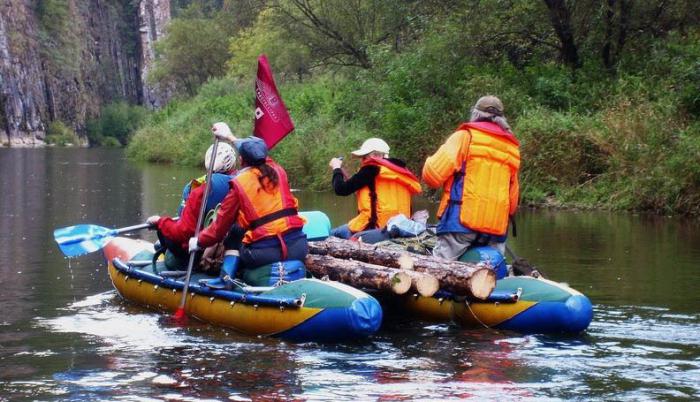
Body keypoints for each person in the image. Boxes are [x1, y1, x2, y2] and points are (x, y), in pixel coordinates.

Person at [187, 122, 307, 284]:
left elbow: (219, 229)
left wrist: (199, 241)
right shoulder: (278, 170)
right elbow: (256, 153)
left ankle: (225, 279)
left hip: (265, 254)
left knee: (235, 233)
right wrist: (229, 136)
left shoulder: (240, 184)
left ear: (241, 160)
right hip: (298, 247)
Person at [422, 95, 520, 260]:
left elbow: (432, 176)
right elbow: (513, 202)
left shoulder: (465, 136)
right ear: (502, 119)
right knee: (491, 273)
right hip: (495, 230)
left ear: (475, 114)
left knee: (440, 269)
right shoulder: (511, 147)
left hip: (459, 225)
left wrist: (429, 162)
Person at [147, 141, 238, 269]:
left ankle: (179, 261)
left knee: (164, 231)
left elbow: (183, 232)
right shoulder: (244, 182)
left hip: (198, 249)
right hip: (232, 247)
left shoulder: (196, 188)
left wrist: (159, 222)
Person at [328, 137, 422, 241]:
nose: (363, 161)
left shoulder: (371, 170)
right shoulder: (402, 172)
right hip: (401, 228)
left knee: (331, 234)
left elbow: (340, 189)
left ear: (377, 155)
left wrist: (336, 168)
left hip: (374, 230)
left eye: (365, 157)